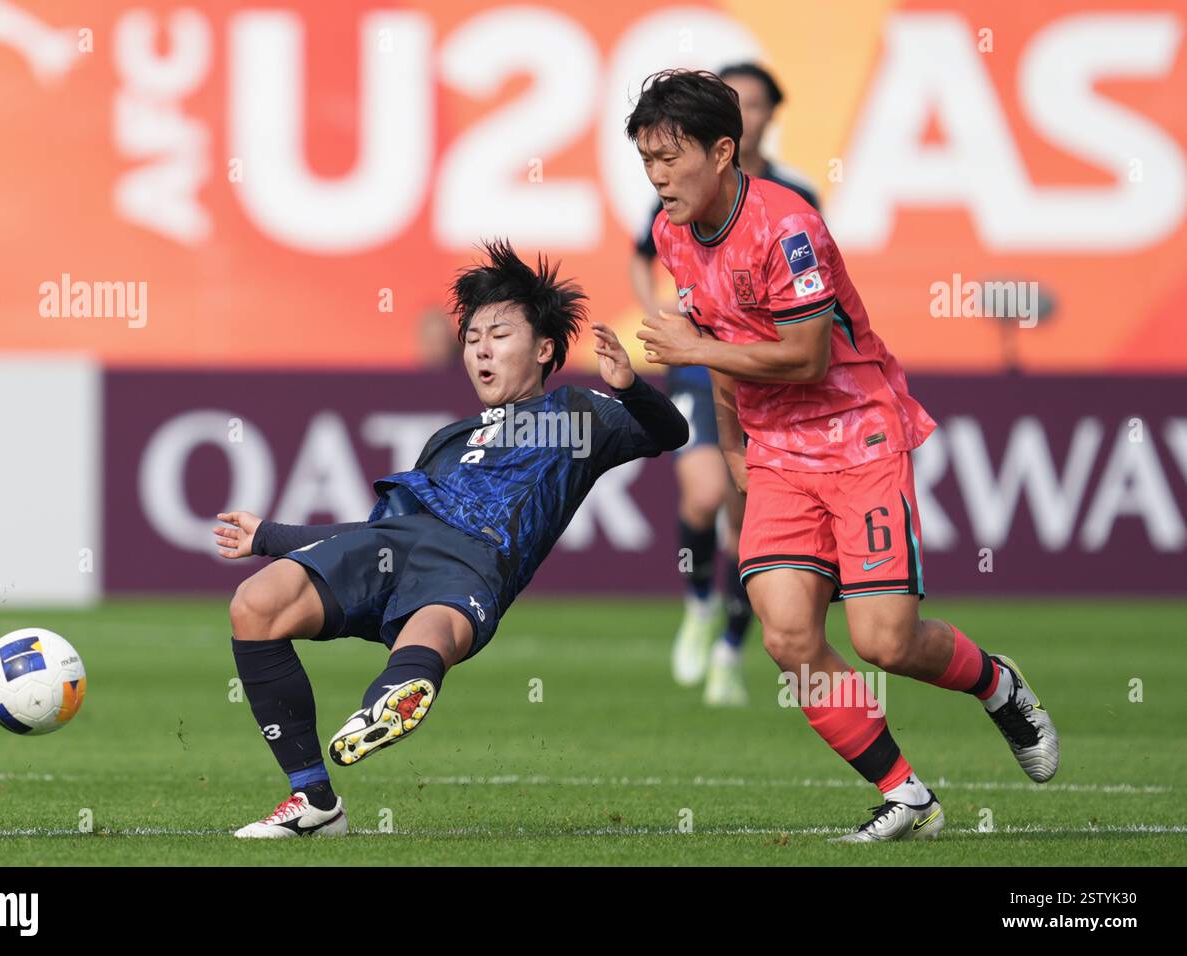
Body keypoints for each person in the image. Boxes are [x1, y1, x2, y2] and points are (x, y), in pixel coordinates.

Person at [628, 69, 1059, 842]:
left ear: (724, 151)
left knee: (884, 641)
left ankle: (1000, 685)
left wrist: (696, 348)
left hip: (858, 431)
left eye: (671, 156)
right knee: (788, 635)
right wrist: (734, 448)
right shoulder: (671, 235)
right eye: (647, 159)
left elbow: (805, 357)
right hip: (778, 455)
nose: (658, 176)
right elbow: (723, 346)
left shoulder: (788, 228)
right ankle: (909, 799)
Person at [213, 239, 689, 838]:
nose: (481, 350)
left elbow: (671, 431)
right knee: (255, 604)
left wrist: (631, 388)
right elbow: (383, 530)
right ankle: (314, 801)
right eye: (472, 339)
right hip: (401, 543)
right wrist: (273, 536)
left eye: (499, 335)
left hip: (476, 559)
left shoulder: (576, 414)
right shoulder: (447, 438)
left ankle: (392, 696)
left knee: (431, 626)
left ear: (544, 349)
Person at [627, 63, 818, 707]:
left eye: (757, 102)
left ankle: (731, 651)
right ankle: (700, 604)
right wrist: (669, 328)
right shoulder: (677, 202)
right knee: (705, 490)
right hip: (703, 361)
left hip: (771, 374)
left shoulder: (794, 205)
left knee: (747, 528)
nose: (656, 171)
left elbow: (810, 338)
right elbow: (644, 257)